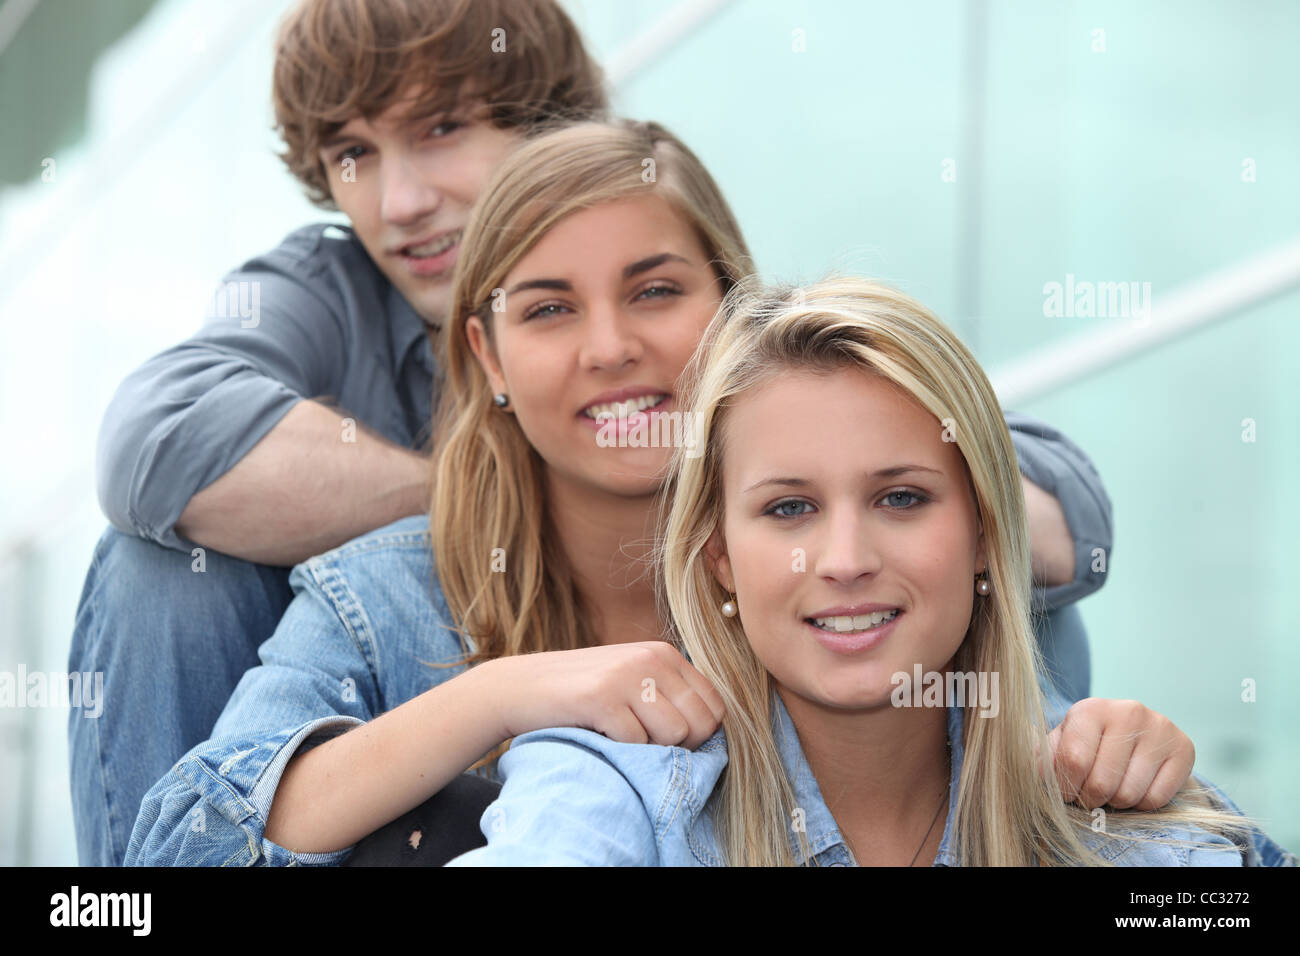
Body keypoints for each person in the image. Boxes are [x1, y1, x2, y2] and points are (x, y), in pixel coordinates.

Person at [126, 120, 1213, 867]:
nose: (612, 347)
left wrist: (1106, 755)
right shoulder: (394, 593)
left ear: (732, 305)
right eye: (548, 310)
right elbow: (177, 847)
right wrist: (505, 694)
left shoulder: (876, 569)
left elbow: (1050, 518)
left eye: (655, 291)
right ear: (488, 356)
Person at [445, 275, 1290, 866]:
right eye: (789, 509)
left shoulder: (1122, 819)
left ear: (989, 537)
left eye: (901, 499)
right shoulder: (608, 790)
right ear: (719, 558)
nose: (845, 561)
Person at [69, 0, 608, 866]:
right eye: (353, 153)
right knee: (163, 571)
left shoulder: (646, 270)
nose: (399, 203)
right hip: (353, 783)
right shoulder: (330, 288)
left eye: (440, 127)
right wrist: (495, 499)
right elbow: (154, 438)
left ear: (547, 125)